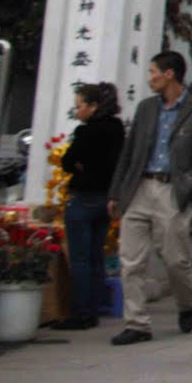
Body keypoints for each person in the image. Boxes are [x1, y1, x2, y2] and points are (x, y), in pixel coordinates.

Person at [107, 50, 192, 346]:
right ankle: (137, 323)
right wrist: (116, 192)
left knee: (175, 259)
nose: (150, 78)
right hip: (138, 188)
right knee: (130, 261)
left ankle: (186, 303)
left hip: (172, 190)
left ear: (169, 74)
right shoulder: (146, 108)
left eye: (153, 71)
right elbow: (129, 152)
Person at [53, 82, 124, 330]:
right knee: (96, 256)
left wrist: (82, 166)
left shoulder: (87, 132)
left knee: (81, 258)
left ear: (93, 106)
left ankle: (81, 312)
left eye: (79, 106)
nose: (78, 111)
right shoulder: (117, 129)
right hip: (106, 198)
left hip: (84, 197)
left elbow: (68, 160)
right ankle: (95, 306)